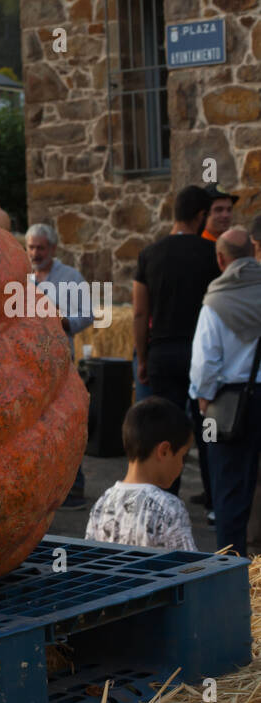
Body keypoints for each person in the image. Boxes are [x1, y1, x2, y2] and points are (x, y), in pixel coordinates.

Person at [133, 185, 218, 501]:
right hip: (200, 354)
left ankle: (166, 496)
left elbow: (140, 312)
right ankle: (213, 499)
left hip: (163, 353)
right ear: (200, 217)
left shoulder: (150, 254)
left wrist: (142, 358)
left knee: (165, 430)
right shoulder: (211, 255)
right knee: (207, 428)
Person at [189, 228, 261, 556]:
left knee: (228, 487)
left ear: (220, 259)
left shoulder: (216, 302)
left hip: (227, 403)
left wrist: (203, 399)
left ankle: (229, 567)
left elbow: (205, 363)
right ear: (253, 252)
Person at [26, 222, 94, 510]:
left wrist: (60, 321)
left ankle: (74, 489)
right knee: (33, 429)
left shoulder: (71, 277)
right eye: (31, 247)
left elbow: (88, 315)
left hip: (59, 364)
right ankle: (39, 488)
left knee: (65, 423)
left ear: (52, 248)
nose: (35, 252)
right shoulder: (20, 279)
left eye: (41, 247)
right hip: (26, 366)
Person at [85, 398, 196, 550]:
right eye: (182, 456)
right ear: (164, 451)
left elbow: (89, 558)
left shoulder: (102, 503)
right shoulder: (169, 508)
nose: (182, 465)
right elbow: (189, 568)